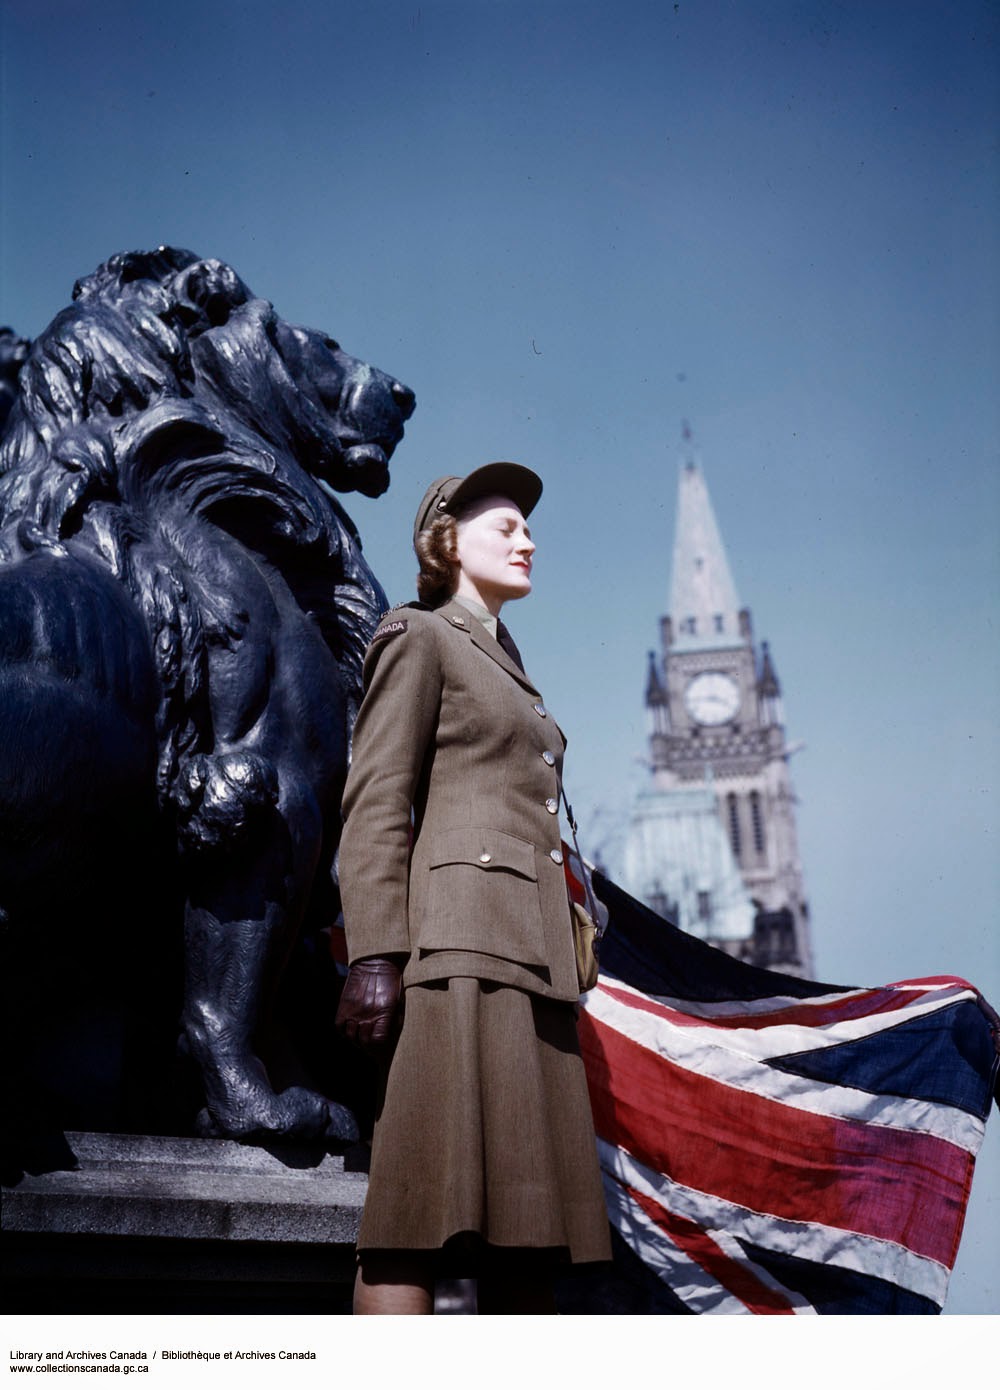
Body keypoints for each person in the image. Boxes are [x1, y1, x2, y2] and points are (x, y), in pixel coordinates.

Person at [335, 462, 611, 1314]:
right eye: (505, 528)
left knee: (532, 1231)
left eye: (531, 528)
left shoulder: (504, 658)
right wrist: (375, 955)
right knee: (413, 1219)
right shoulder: (419, 636)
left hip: (533, 969)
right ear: (448, 542)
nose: (527, 540)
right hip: (454, 956)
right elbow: (377, 799)